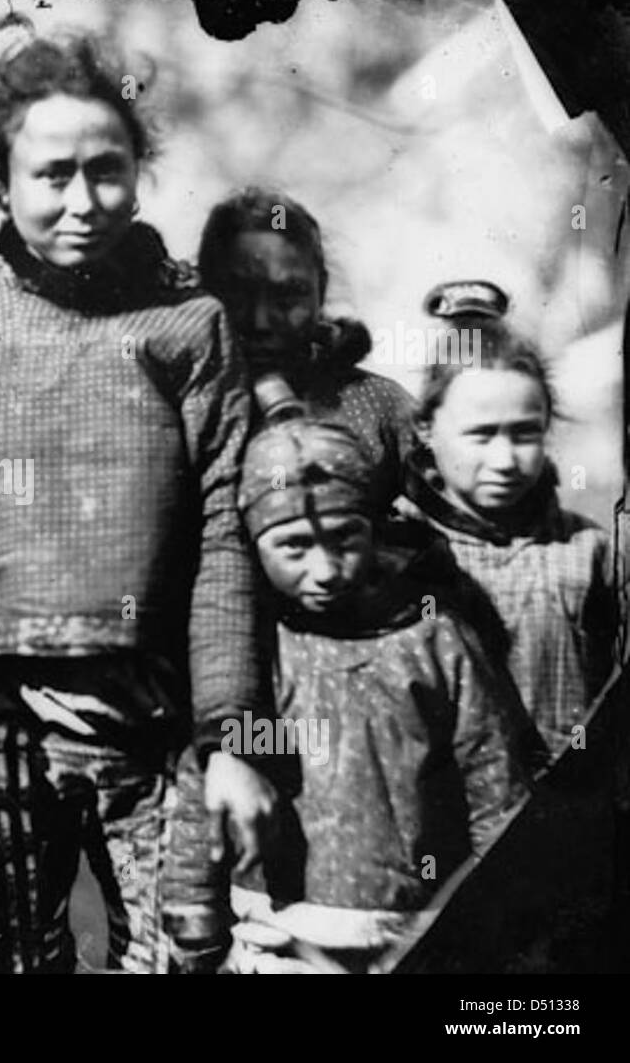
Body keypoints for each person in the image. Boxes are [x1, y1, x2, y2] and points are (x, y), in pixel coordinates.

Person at [0, 16, 273, 974]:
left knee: (180, 958)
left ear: (139, 167)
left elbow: (226, 531)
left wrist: (232, 736)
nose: (83, 201)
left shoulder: (189, 324)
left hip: (156, 725)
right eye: (51, 175)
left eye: (108, 169)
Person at [215, 418, 532, 973]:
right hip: (275, 938)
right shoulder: (242, 651)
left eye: (344, 538)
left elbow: (495, 792)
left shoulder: (433, 636)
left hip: (411, 940)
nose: (326, 569)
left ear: (373, 528)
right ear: (252, 545)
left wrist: (489, 925)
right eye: (294, 545)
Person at [399, 281, 620, 760]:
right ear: (426, 430)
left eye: (524, 434)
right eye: (481, 435)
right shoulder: (397, 550)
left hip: (576, 816)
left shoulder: (590, 553)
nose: (505, 460)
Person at [197, 187, 416, 507]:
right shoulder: (186, 407)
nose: (261, 322)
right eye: (237, 294)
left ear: (321, 290)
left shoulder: (379, 406)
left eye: (287, 298)